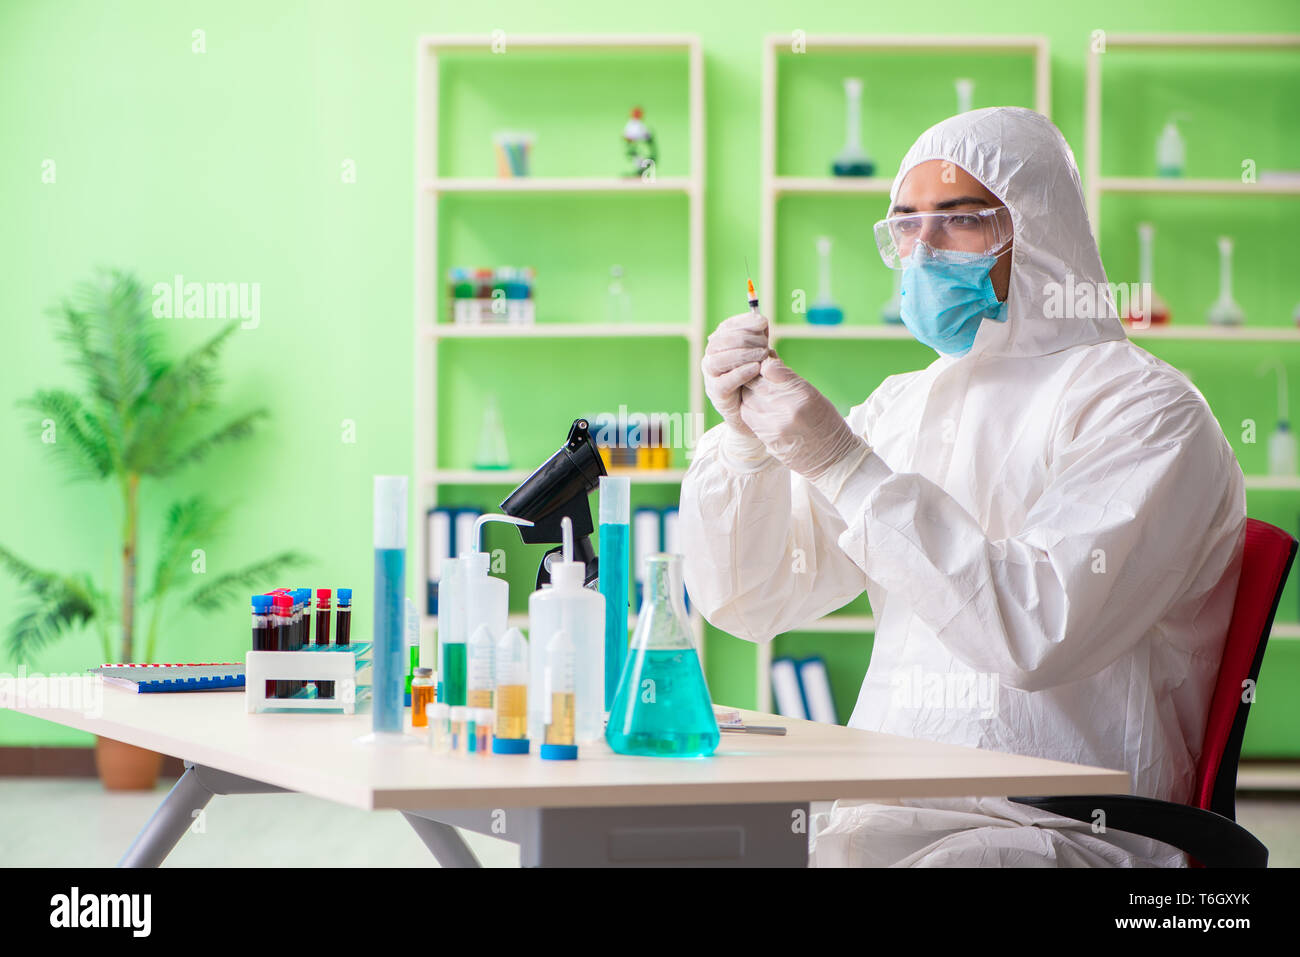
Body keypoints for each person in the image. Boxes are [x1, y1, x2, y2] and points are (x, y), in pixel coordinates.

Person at [680, 107, 1246, 867]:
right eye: (906, 226)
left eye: (959, 221)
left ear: (1038, 228)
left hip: (1067, 826)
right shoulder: (907, 403)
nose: (922, 250)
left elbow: (1035, 630)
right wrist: (747, 447)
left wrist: (847, 467)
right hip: (891, 805)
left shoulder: (1146, 410)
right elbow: (753, 599)